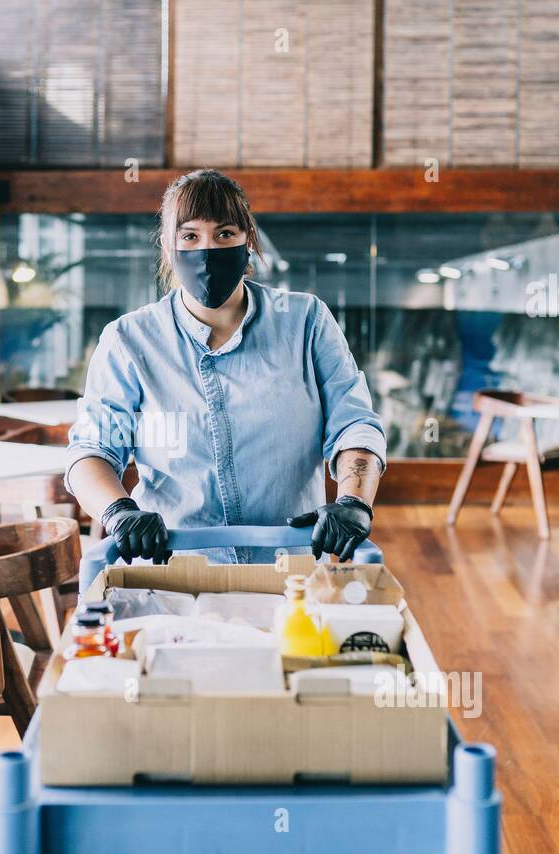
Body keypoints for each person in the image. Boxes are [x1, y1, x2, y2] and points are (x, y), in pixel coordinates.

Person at [65, 168, 386, 565]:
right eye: (190, 236)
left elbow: (353, 423)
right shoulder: (129, 339)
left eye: (225, 234)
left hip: (291, 569)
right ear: (168, 246)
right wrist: (119, 512)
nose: (207, 249)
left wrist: (354, 500)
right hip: (175, 570)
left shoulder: (306, 321)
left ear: (248, 241)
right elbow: (92, 450)